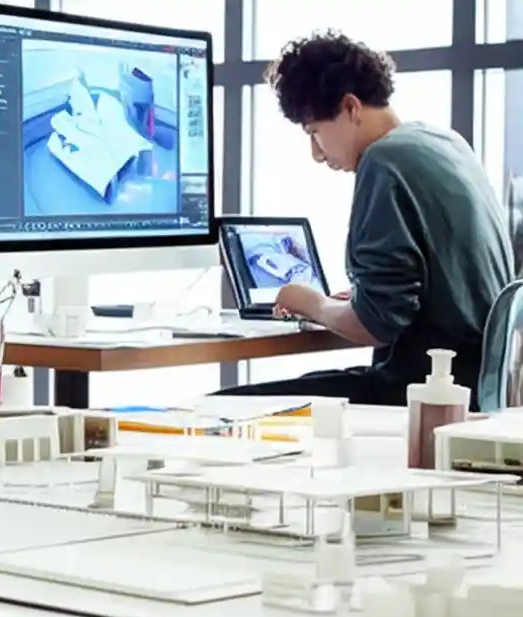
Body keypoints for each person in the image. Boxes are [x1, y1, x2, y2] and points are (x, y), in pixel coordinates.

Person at [216, 30, 514, 408]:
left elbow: (376, 324)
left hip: (422, 391)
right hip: (479, 385)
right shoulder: (445, 142)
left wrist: (312, 303)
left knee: (218, 409)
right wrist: (356, 299)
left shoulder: (384, 162)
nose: (317, 154)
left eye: (314, 132)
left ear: (351, 108)